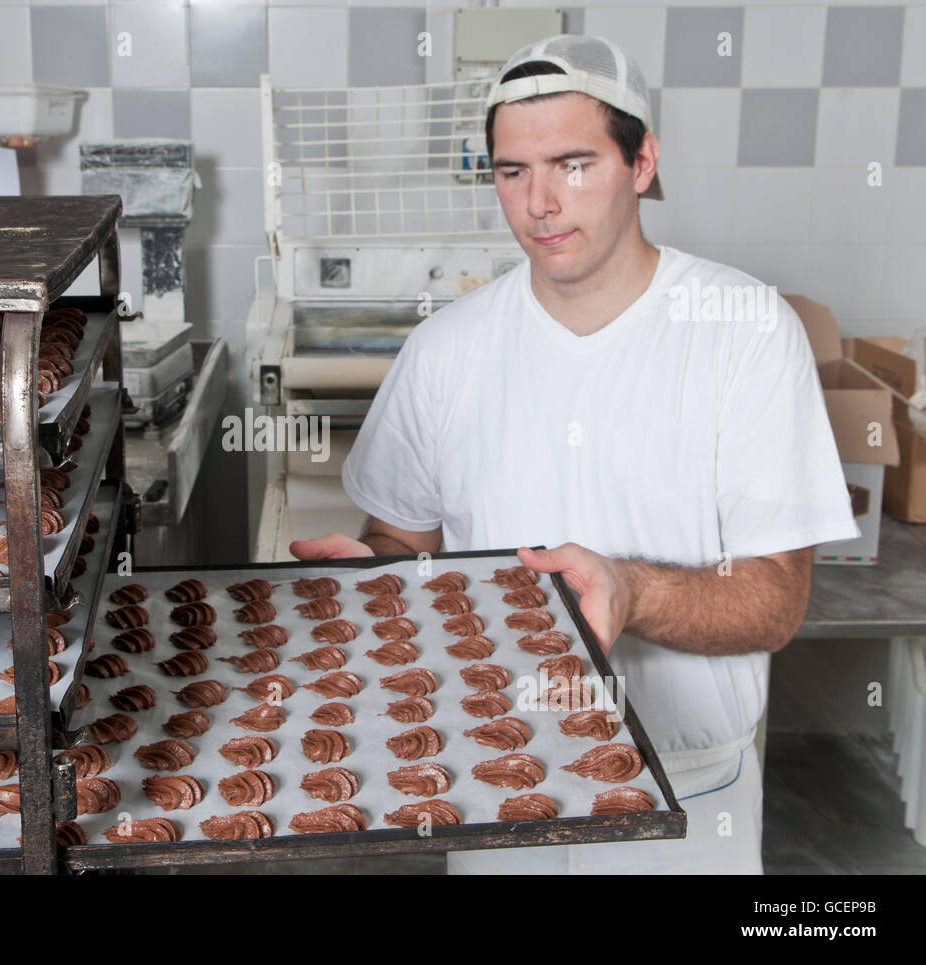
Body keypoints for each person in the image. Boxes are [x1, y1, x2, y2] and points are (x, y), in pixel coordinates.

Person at [289, 35, 857, 874]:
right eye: (512, 172)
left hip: (685, 792)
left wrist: (629, 586)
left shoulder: (745, 329)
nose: (540, 203)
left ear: (642, 161)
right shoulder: (446, 350)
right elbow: (401, 543)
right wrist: (369, 576)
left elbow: (775, 601)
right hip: (498, 779)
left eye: (573, 163)